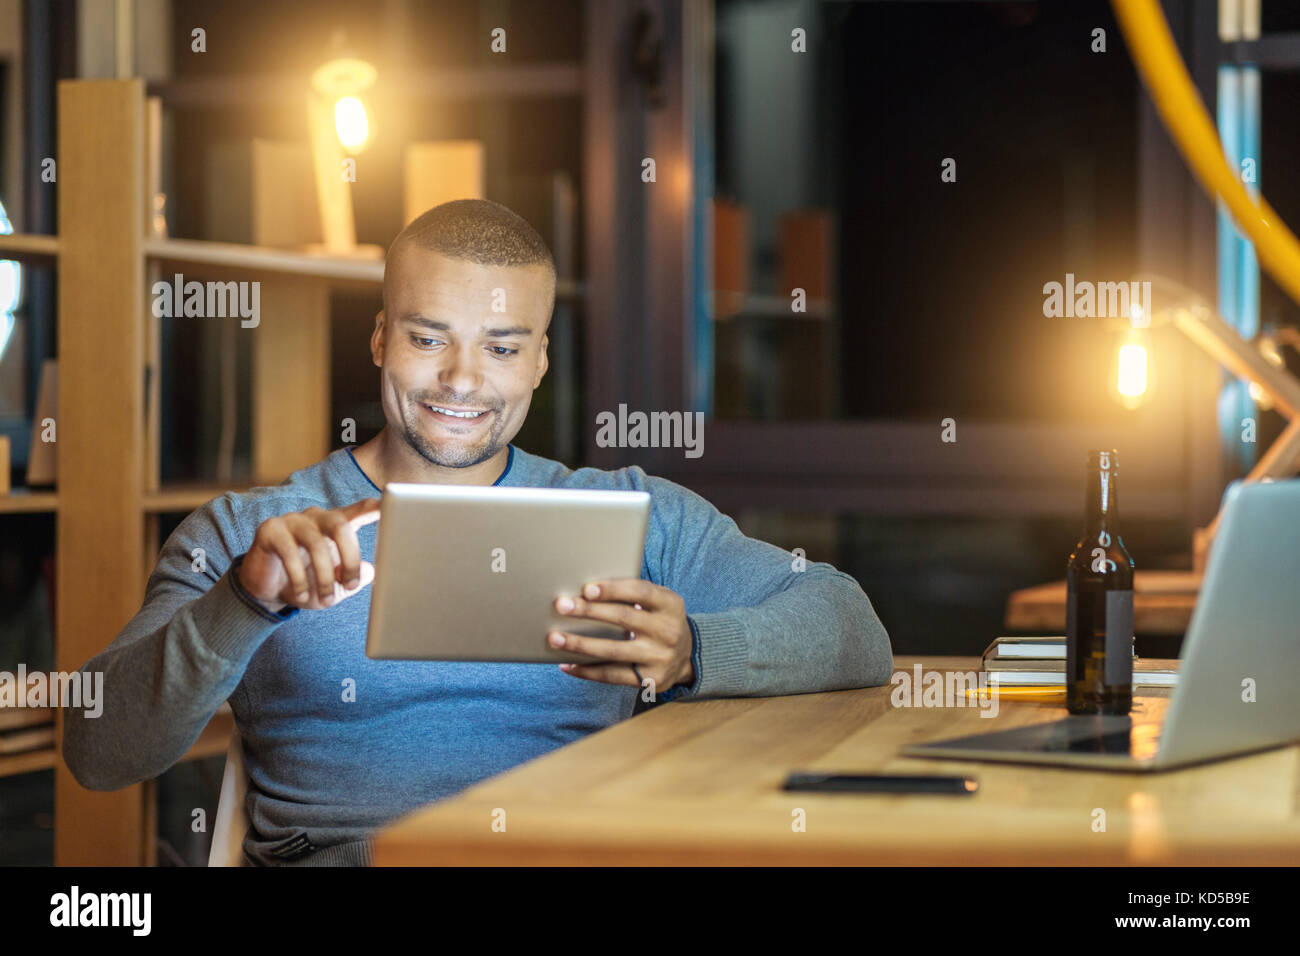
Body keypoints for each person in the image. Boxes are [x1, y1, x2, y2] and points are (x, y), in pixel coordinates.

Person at [62, 199, 893, 866]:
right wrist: (241, 602)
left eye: (501, 347)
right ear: (384, 338)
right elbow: (98, 751)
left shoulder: (632, 513)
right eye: (429, 339)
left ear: (538, 360)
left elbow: (853, 628)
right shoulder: (251, 532)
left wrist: (695, 653)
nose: (462, 380)